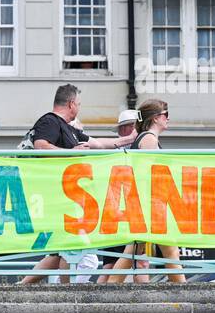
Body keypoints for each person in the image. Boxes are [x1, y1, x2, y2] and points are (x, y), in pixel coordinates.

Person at [21, 87, 136, 284]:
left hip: (66, 197)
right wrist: (70, 152)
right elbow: (42, 145)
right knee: (71, 247)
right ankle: (64, 292)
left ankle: (27, 286)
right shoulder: (50, 121)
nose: (79, 108)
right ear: (71, 104)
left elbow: (98, 144)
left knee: (62, 251)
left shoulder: (68, 128)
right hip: (59, 197)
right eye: (79, 104)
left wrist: (130, 139)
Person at [105, 99, 184, 284]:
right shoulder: (149, 139)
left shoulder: (146, 138)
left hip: (147, 204)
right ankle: (184, 295)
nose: (168, 118)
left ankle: (183, 293)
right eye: (166, 115)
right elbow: (150, 174)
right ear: (156, 118)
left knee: (138, 251)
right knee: (165, 251)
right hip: (151, 204)